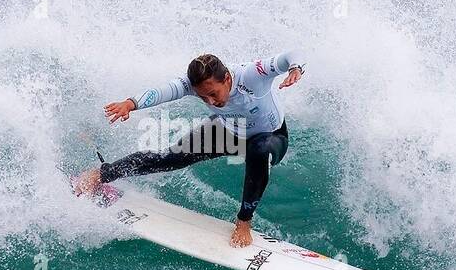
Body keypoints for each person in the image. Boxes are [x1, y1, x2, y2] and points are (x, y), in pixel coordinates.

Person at [74, 52, 305, 247]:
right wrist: (131, 103)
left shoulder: (252, 74)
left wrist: (295, 68)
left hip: (272, 137)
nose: (211, 102)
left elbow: (289, 56)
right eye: (203, 97)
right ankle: (100, 175)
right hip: (229, 131)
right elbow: (163, 91)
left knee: (258, 148)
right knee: (168, 158)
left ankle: (244, 221)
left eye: (213, 94)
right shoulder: (194, 86)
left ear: (226, 78)